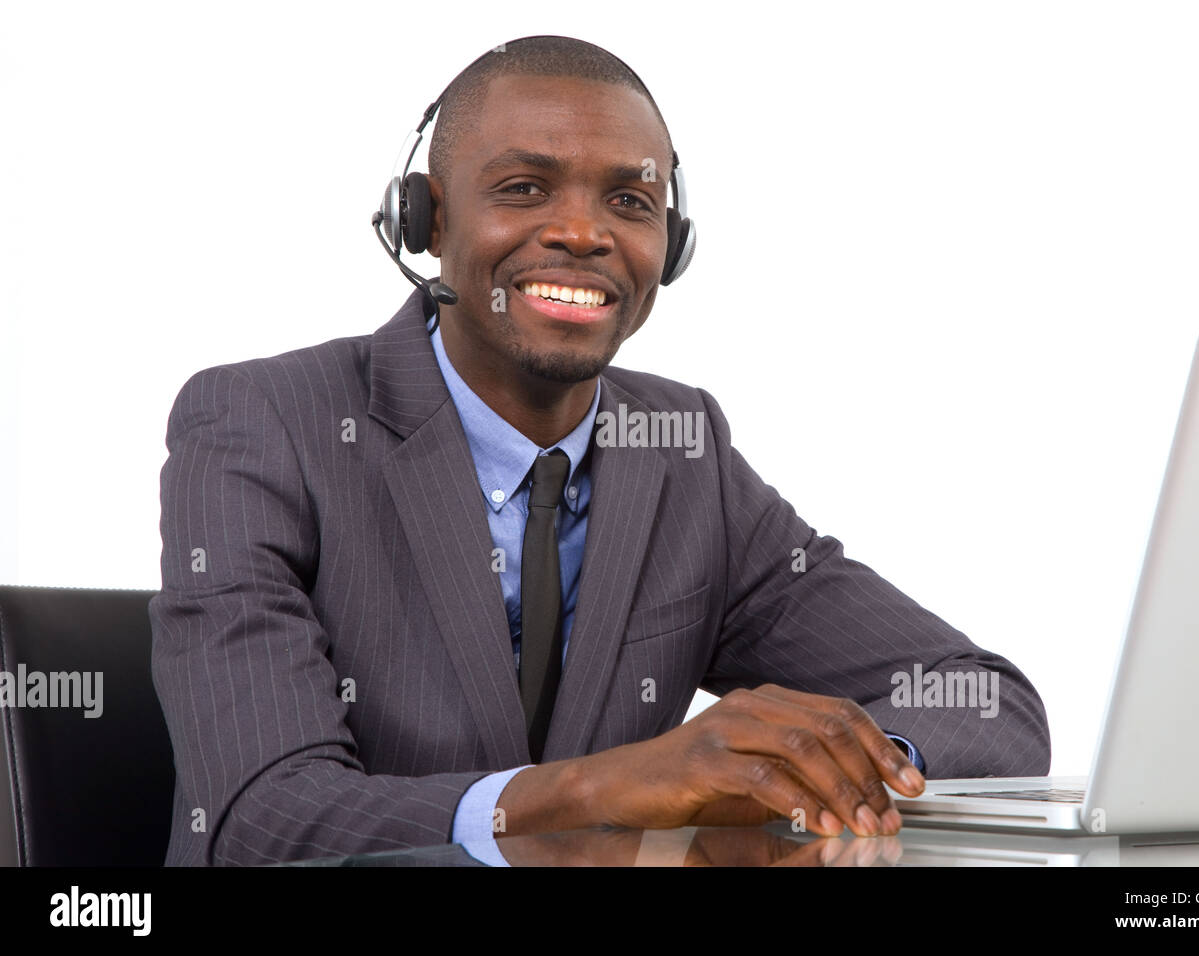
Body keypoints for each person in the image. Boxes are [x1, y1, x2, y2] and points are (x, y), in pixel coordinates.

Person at [149, 35, 1050, 867]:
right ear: (424, 219)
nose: (584, 233)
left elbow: (985, 699)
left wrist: (841, 765)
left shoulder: (681, 453)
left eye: (630, 201)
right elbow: (261, 818)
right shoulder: (262, 422)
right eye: (524, 189)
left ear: (673, 244)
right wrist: (607, 788)